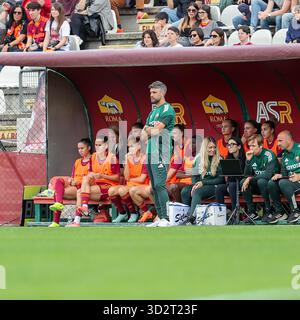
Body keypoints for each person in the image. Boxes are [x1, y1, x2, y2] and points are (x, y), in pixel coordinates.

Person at [141, 80, 176, 227]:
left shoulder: (167, 110)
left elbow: (156, 131)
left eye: (154, 92)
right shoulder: (153, 111)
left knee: (160, 185)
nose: (151, 95)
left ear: (162, 93)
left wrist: (150, 131)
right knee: (154, 186)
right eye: (150, 92)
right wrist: (150, 131)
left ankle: (166, 218)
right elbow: (144, 134)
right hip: (150, 152)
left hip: (161, 152)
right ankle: (160, 218)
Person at [67, 134, 120, 227]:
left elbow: (117, 178)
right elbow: (91, 173)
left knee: (80, 191)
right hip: (96, 185)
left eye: (100, 145)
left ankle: (78, 217)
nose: (97, 147)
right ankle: (80, 216)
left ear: (106, 146)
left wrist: (101, 175)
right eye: (96, 145)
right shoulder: (93, 157)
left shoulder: (112, 158)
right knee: (84, 181)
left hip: (108, 186)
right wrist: (92, 175)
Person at [48, 138, 93, 227]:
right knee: (59, 182)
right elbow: (73, 176)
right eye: (78, 148)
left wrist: (76, 182)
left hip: (85, 188)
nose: (80, 150)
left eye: (82, 148)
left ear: (89, 148)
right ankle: (57, 214)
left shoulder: (93, 160)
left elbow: (92, 179)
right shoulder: (77, 161)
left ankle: (57, 221)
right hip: (75, 187)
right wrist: (71, 181)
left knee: (74, 192)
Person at [181, 136, 224, 223]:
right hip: (201, 185)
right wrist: (194, 185)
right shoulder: (198, 158)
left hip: (214, 186)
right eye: (210, 147)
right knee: (185, 191)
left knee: (198, 191)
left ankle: (192, 218)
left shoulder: (220, 159)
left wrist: (203, 182)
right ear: (205, 148)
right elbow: (194, 175)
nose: (213, 150)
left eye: (214, 147)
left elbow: (221, 179)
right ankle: (185, 217)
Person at [108, 136, 149, 223]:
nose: (130, 149)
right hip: (131, 185)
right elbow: (126, 177)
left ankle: (135, 213)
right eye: (129, 147)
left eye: (132, 146)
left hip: (142, 186)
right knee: (111, 191)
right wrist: (126, 160)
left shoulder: (145, 158)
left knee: (122, 190)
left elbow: (142, 179)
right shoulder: (129, 158)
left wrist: (131, 180)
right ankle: (123, 213)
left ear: (139, 146)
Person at [240, 134, 279, 222]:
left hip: (271, 184)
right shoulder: (251, 155)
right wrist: (248, 161)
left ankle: (269, 210)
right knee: (243, 182)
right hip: (258, 185)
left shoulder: (269, 154)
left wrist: (250, 178)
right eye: (249, 146)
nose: (251, 148)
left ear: (261, 145)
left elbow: (268, 175)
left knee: (261, 181)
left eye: (253, 146)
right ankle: (252, 212)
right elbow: (246, 175)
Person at [268, 130, 300, 224]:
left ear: (289, 140)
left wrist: (299, 176)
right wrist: (280, 175)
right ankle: (280, 212)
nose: (278, 144)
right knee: (272, 183)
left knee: (283, 182)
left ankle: (296, 211)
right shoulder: (284, 154)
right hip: (290, 183)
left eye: (280, 140)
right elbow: (285, 174)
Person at [215, 137, 246, 211]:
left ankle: (235, 213)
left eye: (232, 144)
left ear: (239, 146)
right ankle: (220, 213)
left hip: (243, 186)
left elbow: (244, 175)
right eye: (228, 145)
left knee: (232, 185)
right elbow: (228, 177)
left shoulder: (245, 159)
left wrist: (230, 184)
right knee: (219, 188)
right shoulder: (227, 159)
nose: (230, 146)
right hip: (231, 185)